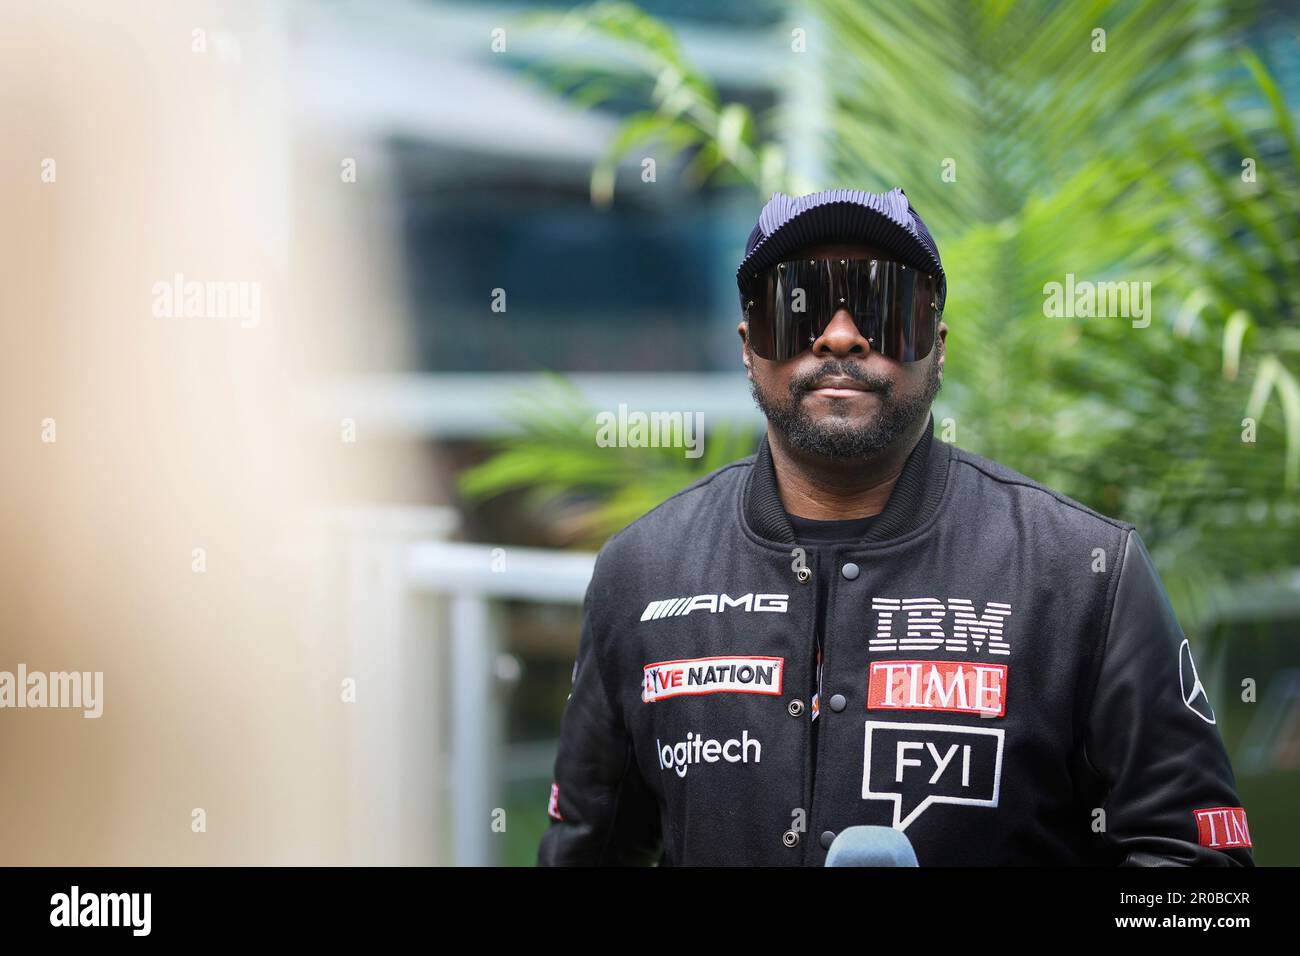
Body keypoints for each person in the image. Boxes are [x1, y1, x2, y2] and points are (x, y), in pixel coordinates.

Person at [537, 187, 1253, 866]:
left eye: (882, 305)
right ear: (750, 342)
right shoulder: (644, 571)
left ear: (937, 346)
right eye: (800, 304)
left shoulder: (1083, 573)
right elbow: (587, 851)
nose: (842, 336)